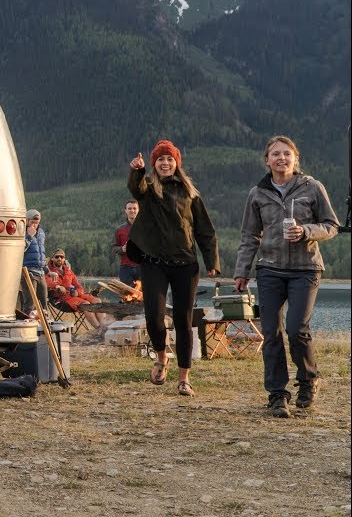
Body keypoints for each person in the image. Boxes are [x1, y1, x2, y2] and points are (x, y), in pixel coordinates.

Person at [232, 136, 340, 418]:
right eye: (276, 154)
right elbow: (249, 236)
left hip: (306, 268)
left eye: (287, 154)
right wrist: (242, 271)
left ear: (295, 159)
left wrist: (306, 231)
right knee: (271, 332)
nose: (282, 158)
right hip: (269, 268)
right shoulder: (257, 193)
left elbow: (331, 226)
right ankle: (277, 394)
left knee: (296, 328)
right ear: (267, 160)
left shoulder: (313, 187)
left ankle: (308, 380)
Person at [127, 140, 219, 397]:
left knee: (183, 320)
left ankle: (184, 378)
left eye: (169, 159)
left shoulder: (190, 193)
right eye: (160, 160)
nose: (165, 163)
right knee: (154, 317)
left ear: (177, 162)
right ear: (154, 164)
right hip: (154, 262)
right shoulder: (149, 190)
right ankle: (161, 356)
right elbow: (135, 187)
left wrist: (212, 262)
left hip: (185, 264)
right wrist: (137, 170)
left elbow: (205, 231)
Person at [44, 248, 104, 329]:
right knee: (86, 304)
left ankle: (104, 326)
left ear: (64, 259)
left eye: (61, 257)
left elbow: (78, 286)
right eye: (57, 257)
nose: (59, 259)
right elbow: (48, 282)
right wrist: (57, 287)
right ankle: (98, 329)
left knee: (97, 301)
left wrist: (77, 292)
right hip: (61, 300)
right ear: (52, 258)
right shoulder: (49, 271)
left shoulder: (68, 271)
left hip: (74, 296)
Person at [21, 209, 49, 316]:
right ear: (27, 221)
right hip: (28, 271)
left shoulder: (41, 233)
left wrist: (47, 269)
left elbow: (41, 252)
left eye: (36, 223)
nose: (34, 225)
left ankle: (44, 326)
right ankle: (27, 326)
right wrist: (29, 236)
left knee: (44, 303)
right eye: (32, 222)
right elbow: (19, 250)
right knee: (30, 304)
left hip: (40, 272)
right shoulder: (21, 231)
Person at [112, 200, 141, 286]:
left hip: (142, 267)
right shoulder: (119, 229)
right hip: (125, 268)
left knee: (143, 296)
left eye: (134, 208)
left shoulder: (145, 228)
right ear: (126, 210)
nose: (132, 210)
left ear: (138, 210)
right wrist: (122, 249)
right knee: (127, 297)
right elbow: (113, 248)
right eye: (129, 208)